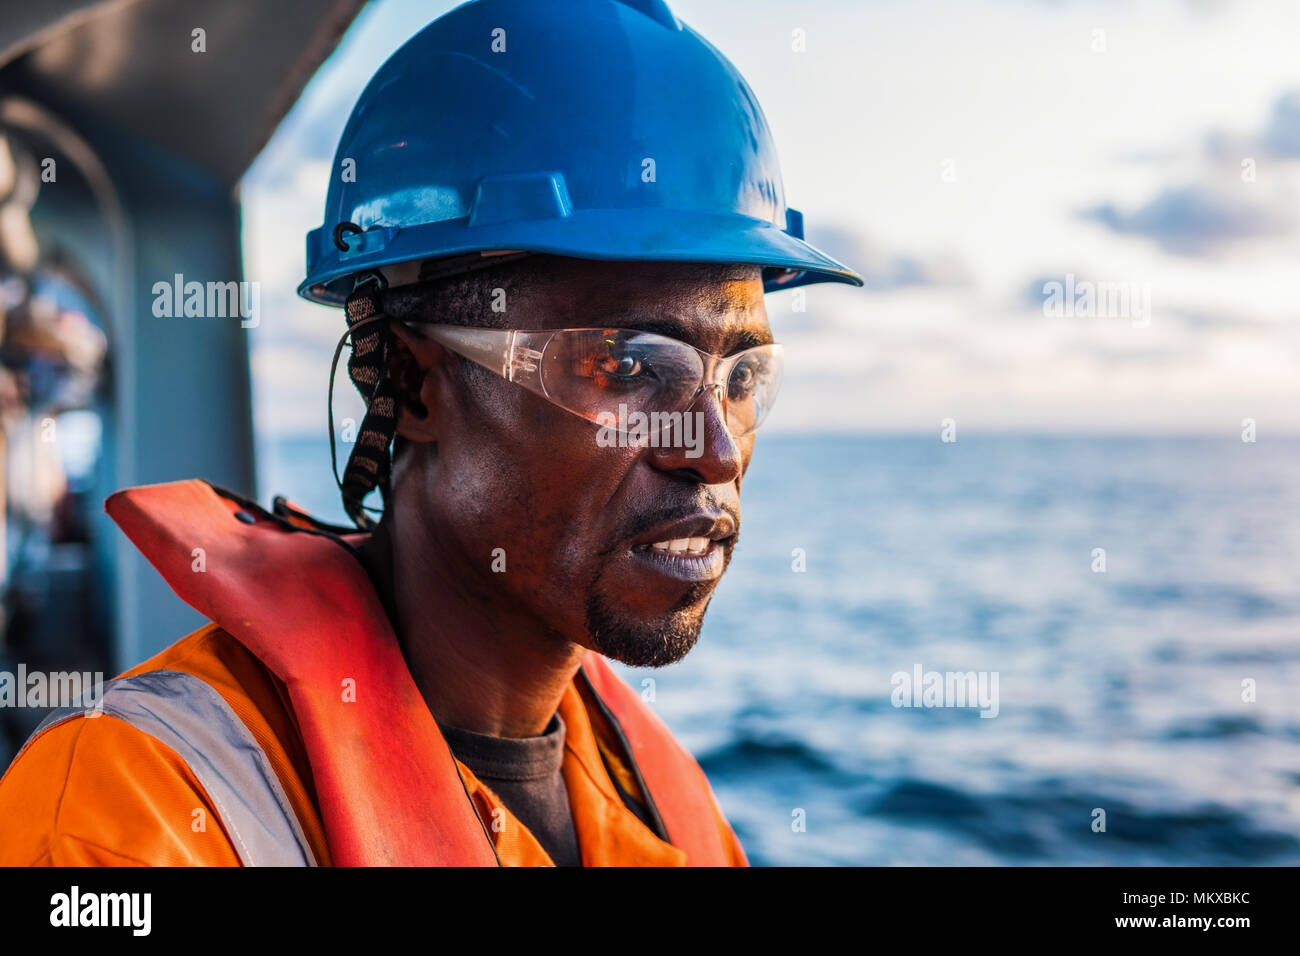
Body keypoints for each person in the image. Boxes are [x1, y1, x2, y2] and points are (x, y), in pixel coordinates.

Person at [0, 0, 860, 866]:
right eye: (626, 368)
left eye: (742, 378)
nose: (713, 450)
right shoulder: (130, 810)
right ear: (412, 381)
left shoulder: (665, 801)